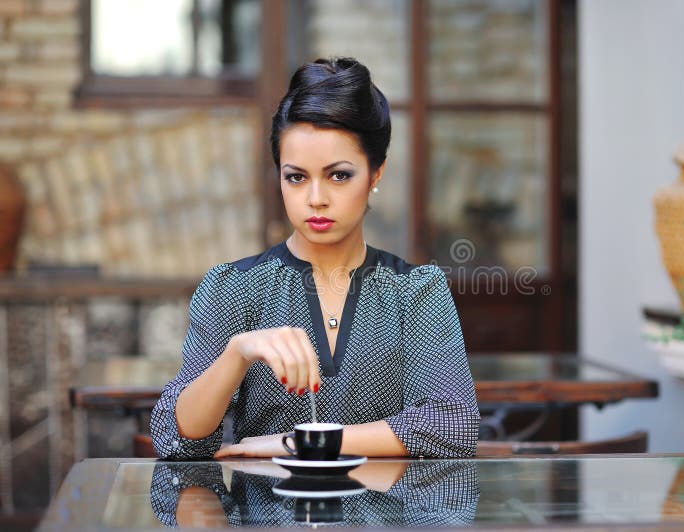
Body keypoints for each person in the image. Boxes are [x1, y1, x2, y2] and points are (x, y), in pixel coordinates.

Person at [150, 57, 479, 460]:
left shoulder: (416, 291)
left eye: (339, 175)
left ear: (375, 174)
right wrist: (237, 353)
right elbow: (176, 439)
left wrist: (297, 443)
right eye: (296, 176)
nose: (316, 198)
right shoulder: (233, 288)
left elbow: (453, 425)